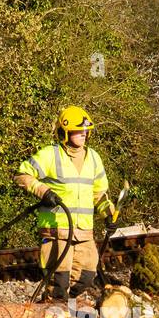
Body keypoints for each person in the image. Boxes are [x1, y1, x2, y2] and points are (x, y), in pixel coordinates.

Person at [14, 105, 118, 300]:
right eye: (78, 131)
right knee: (59, 282)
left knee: (87, 276)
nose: (83, 134)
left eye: (86, 130)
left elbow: (99, 194)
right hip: (57, 230)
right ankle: (53, 316)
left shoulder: (94, 158)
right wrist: (43, 191)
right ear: (64, 132)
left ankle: (61, 308)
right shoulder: (50, 155)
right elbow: (21, 175)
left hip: (84, 232)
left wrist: (108, 214)